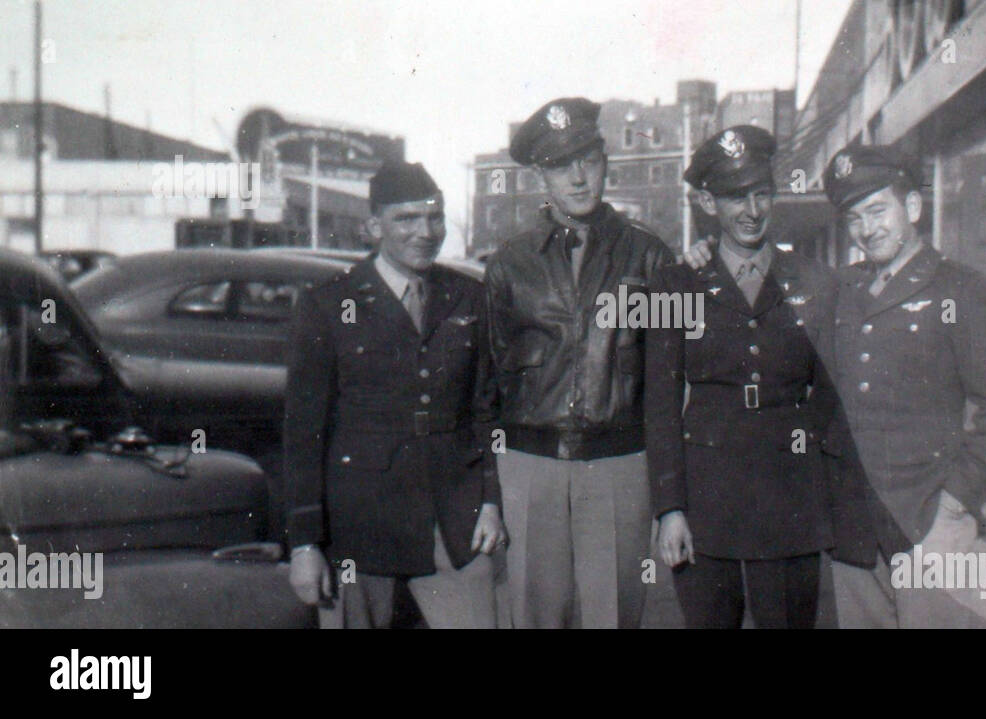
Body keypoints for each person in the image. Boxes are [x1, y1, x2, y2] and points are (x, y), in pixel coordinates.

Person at [283, 161, 505, 629]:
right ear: (373, 227)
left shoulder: (469, 297)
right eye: (406, 219)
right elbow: (304, 434)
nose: (425, 232)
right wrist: (304, 543)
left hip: (453, 520)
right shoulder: (329, 304)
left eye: (435, 218)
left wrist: (490, 502)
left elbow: (485, 409)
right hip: (358, 525)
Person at [822, 143, 986, 628]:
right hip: (854, 526)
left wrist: (957, 503)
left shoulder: (960, 288)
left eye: (878, 210)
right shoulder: (842, 289)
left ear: (912, 207)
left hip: (927, 521)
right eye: (854, 217)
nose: (867, 229)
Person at [485, 97, 672, 628]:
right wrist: (492, 494)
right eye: (560, 165)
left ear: (605, 161)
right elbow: (488, 386)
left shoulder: (650, 257)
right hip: (530, 467)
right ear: (541, 176)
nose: (578, 178)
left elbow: (666, 386)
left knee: (612, 616)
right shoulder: (509, 264)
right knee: (536, 616)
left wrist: (668, 497)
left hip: (619, 467)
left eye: (588, 161)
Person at [646, 126, 836, 629]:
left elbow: (831, 398)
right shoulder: (675, 284)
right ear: (708, 202)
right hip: (707, 504)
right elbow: (660, 405)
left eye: (761, 193)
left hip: (790, 502)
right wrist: (670, 508)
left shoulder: (814, 280)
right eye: (735, 197)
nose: (752, 210)